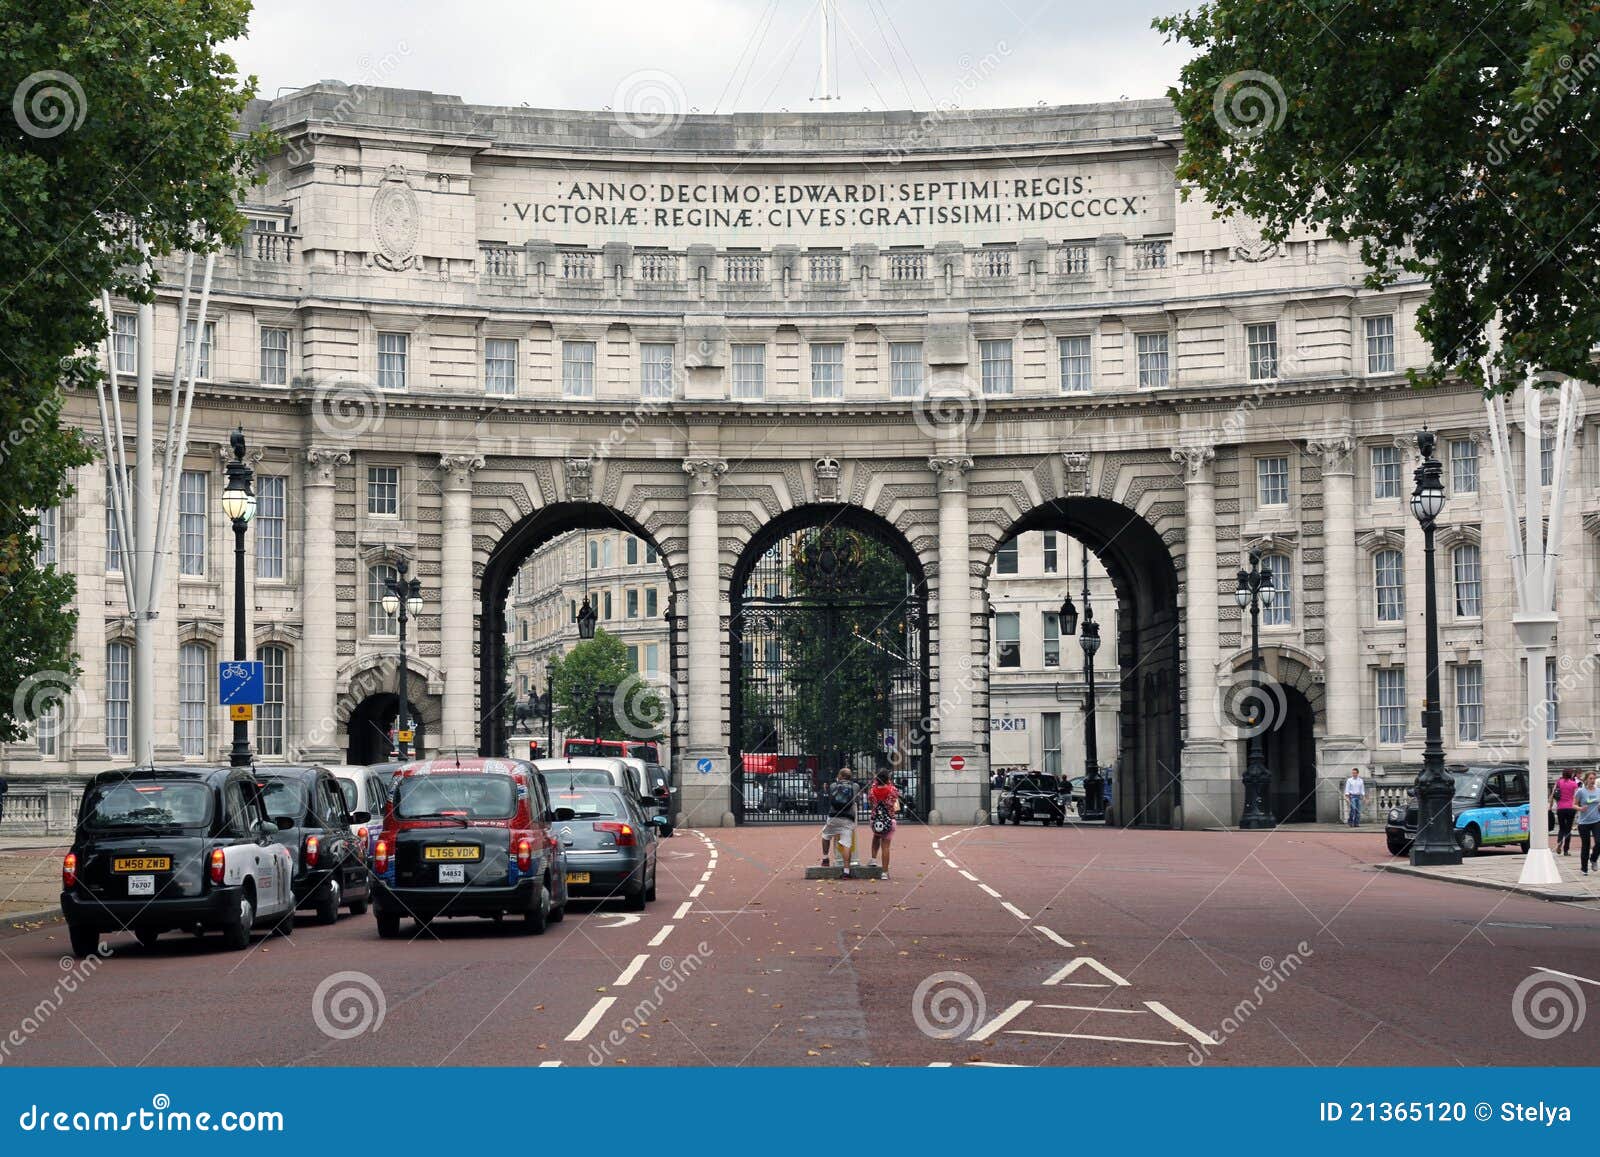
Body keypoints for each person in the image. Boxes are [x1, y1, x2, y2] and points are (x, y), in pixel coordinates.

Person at [819, 767, 860, 878]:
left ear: (840, 776)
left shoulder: (833, 785)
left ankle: (825, 858)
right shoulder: (855, 786)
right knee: (846, 844)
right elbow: (856, 800)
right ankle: (846, 871)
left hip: (834, 816)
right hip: (848, 818)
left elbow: (831, 796)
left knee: (825, 835)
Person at [867, 769, 900, 881]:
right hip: (889, 819)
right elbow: (894, 801)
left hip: (875, 819)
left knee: (876, 836)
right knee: (886, 847)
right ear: (888, 779)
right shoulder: (892, 790)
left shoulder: (872, 790)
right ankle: (884, 873)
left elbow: (871, 803)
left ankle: (873, 859)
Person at [1576, 772, 1600, 875]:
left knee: (1599, 842)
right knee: (1586, 846)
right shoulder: (1581, 791)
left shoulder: (1599, 791)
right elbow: (1573, 804)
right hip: (1584, 822)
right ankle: (1584, 868)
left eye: (1594, 779)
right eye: (1590, 778)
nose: (1593, 781)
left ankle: (1593, 859)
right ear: (1586, 779)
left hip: (1597, 820)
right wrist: (1581, 808)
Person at [1554, 769, 1580, 855]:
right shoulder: (1574, 784)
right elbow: (1577, 797)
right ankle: (1566, 850)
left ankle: (1559, 843)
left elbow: (1554, 793)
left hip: (1560, 807)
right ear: (1571, 775)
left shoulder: (1559, 782)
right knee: (1568, 829)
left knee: (1561, 828)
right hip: (1570, 808)